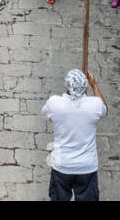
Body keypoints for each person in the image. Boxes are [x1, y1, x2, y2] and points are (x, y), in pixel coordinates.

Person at [42, 69, 107, 200]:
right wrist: (94, 84)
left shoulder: (54, 103)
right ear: (84, 87)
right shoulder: (94, 105)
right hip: (86, 167)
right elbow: (104, 109)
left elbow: (49, 117)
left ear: (67, 86)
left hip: (62, 165)